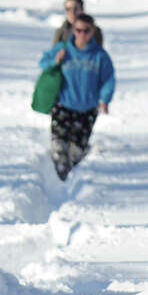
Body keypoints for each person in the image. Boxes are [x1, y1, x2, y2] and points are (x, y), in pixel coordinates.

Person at [38, 13, 115, 181]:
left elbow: (108, 79)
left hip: (87, 109)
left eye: (86, 31)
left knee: (76, 152)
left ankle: (70, 182)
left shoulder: (100, 56)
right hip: (63, 105)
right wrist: (55, 62)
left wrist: (104, 100)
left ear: (92, 31)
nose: (82, 34)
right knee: (59, 147)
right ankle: (57, 179)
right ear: (73, 30)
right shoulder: (63, 49)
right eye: (78, 30)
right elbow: (43, 63)